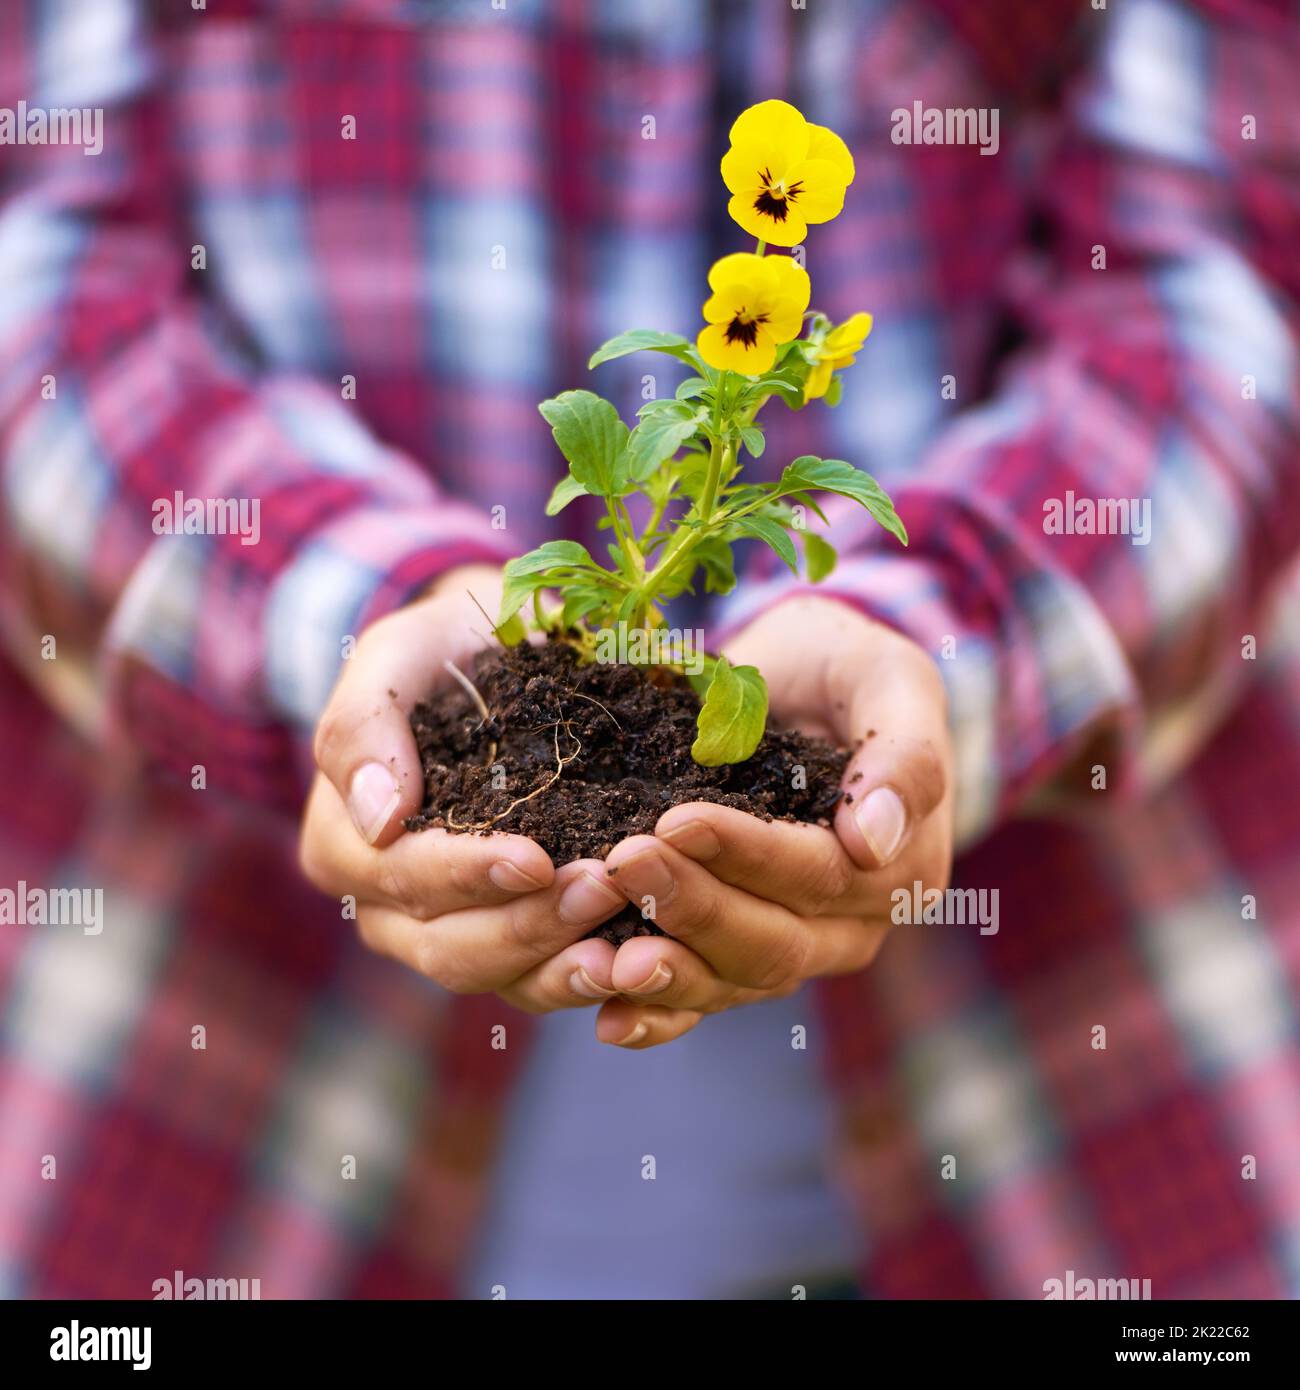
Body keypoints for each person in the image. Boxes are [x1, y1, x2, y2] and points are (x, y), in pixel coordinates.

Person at [1, 0, 1297, 1299]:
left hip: (1080, 1079)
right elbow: (40, 282)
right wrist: (346, 611)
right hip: (204, 1062)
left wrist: (942, 629)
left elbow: (1216, 303)